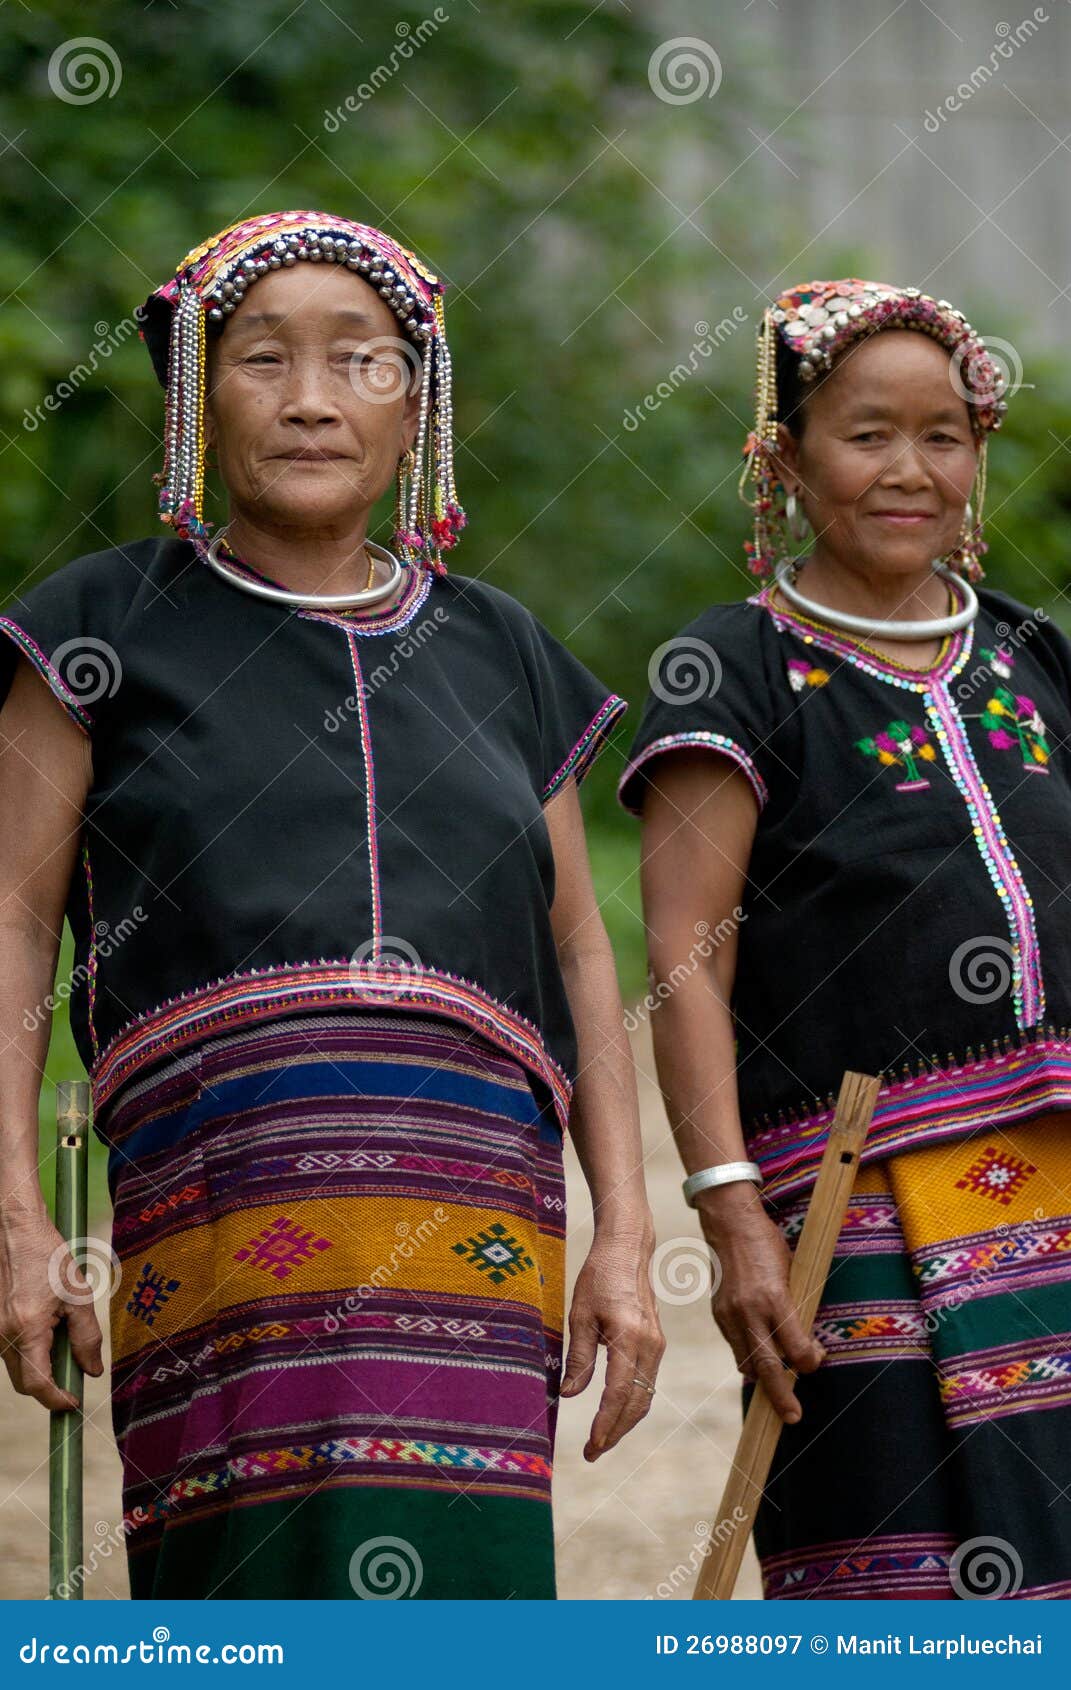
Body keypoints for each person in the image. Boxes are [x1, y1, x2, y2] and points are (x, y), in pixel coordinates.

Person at [0, 210, 664, 1600]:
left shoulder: (504, 652)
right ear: (195, 393)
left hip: (478, 1239)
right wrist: (15, 1216)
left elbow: (580, 950)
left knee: (465, 1609)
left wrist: (624, 1234)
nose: (310, 399)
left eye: (359, 361)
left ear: (415, 404)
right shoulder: (95, 631)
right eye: (262, 360)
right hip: (224, 1227)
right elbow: (13, 922)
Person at [618, 278, 1071, 1599]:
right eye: (869, 432)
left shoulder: (1036, 658)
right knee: (892, 1570)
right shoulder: (731, 670)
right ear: (789, 453)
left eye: (944, 434)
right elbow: (684, 957)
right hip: (850, 1203)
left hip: (1056, 1200)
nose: (909, 469)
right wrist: (730, 1210)